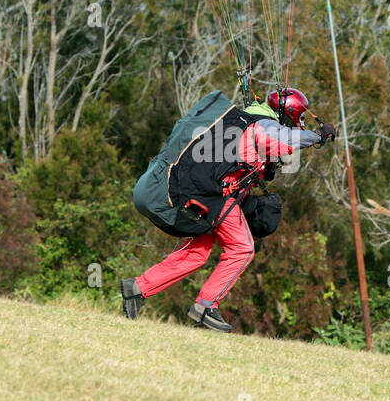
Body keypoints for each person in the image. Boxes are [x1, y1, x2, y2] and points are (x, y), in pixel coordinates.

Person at [122, 88, 336, 332]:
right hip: (218, 197)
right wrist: (319, 135)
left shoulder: (246, 119)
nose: (300, 124)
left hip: (205, 194)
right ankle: (206, 306)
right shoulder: (264, 125)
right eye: (299, 118)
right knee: (241, 248)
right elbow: (287, 139)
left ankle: (137, 288)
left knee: (197, 253)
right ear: (289, 113)